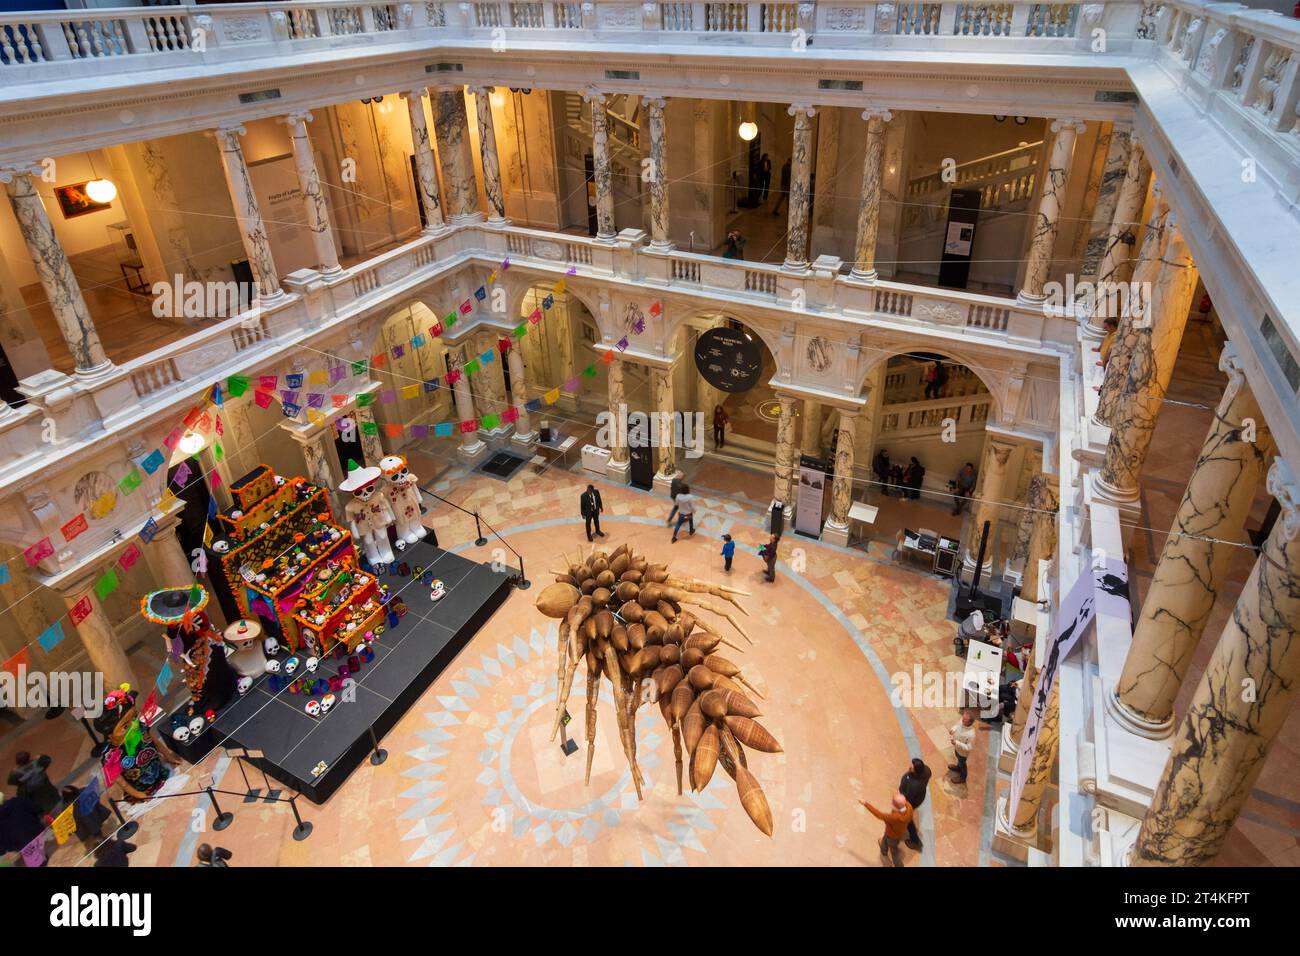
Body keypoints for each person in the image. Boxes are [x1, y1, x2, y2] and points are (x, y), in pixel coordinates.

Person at [859, 792, 914, 868]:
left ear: (895, 806)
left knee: (894, 852)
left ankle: (899, 865)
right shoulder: (909, 807)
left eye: (892, 802)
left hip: (892, 836)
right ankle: (883, 849)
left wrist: (865, 803)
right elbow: (909, 813)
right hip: (899, 832)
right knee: (885, 839)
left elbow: (879, 815)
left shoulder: (894, 817)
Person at [0, 794, 45, 863]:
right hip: (39, 834)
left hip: (22, 848)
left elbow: (1, 850)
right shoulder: (16, 801)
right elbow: (37, 808)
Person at [899, 758, 932, 850]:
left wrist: (902, 805)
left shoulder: (914, 785)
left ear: (917, 772)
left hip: (911, 802)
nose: (910, 767)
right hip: (919, 797)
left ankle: (915, 841)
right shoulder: (926, 771)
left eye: (912, 767)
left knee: (908, 818)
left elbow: (907, 798)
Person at [948, 711, 976, 784]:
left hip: (963, 753)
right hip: (957, 748)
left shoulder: (971, 734)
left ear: (970, 722)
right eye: (962, 718)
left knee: (962, 763)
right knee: (958, 758)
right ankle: (958, 767)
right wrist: (953, 729)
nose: (962, 720)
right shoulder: (962, 721)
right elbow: (957, 725)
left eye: (964, 720)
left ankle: (962, 777)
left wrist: (956, 743)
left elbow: (968, 747)